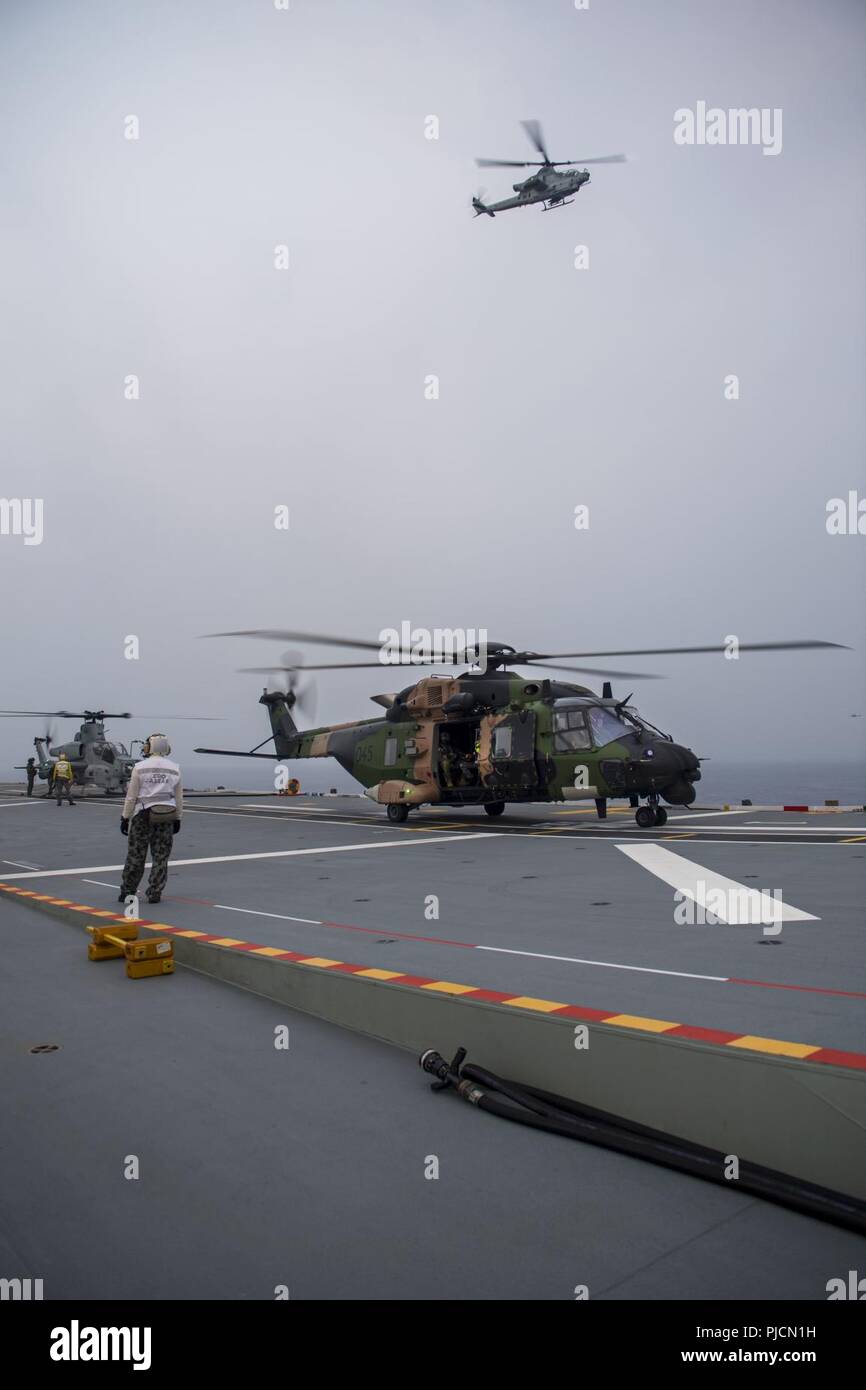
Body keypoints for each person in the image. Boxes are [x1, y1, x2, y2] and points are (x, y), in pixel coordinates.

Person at [119, 733, 183, 905]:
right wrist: (178, 818)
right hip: (166, 816)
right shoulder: (174, 767)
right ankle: (155, 892)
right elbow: (178, 797)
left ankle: (127, 891)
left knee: (136, 855)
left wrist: (125, 817)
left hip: (143, 815)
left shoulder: (140, 767)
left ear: (151, 746)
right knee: (161, 857)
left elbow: (131, 796)